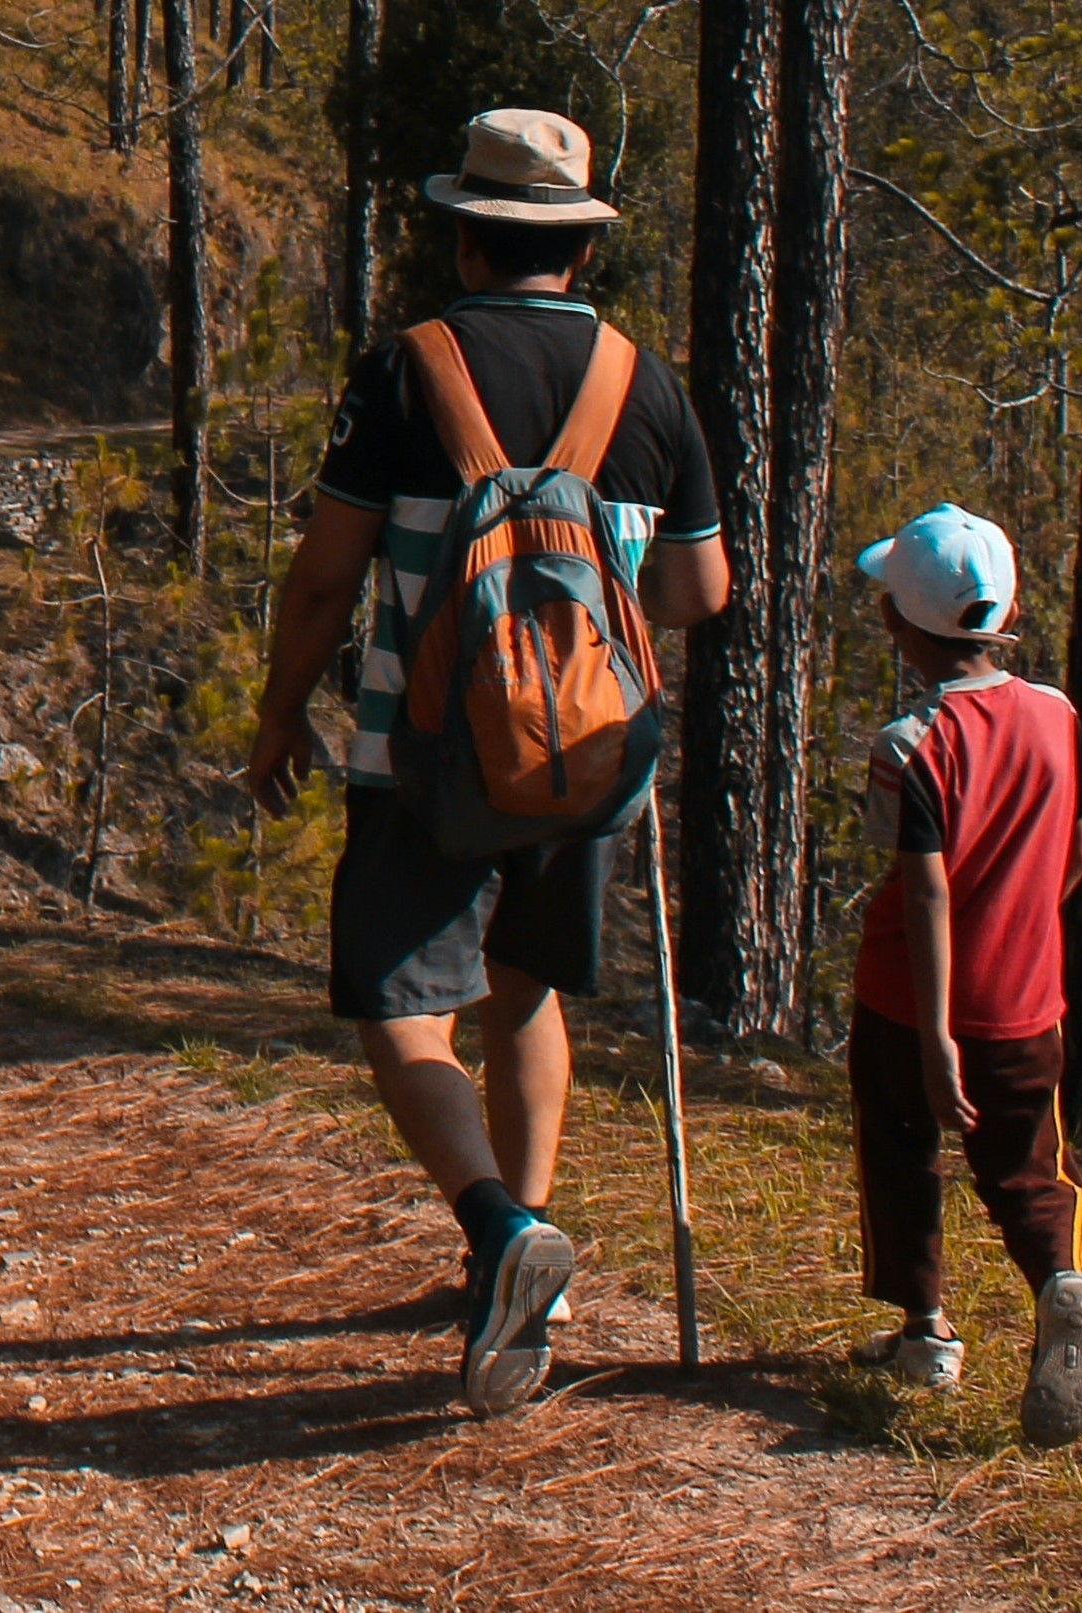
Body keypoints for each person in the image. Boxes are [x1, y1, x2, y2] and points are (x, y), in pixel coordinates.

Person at [243, 109, 728, 1416]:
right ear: (576, 242)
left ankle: (499, 1230)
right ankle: (537, 1265)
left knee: (404, 1012)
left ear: (466, 235)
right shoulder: (647, 385)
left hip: (423, 750)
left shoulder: (408, 373)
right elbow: (699, 588)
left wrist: (282, 711)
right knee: (526, 995)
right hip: (588, 756)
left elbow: (325, 575)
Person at [842, 502, 1082, 1448]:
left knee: (901, 1145)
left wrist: (938, 1032)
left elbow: (924, 893)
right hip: (1029, 1000)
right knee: (1027, 1165)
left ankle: (925, 1331)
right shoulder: (1057, 715)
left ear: (898, 623)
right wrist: (1027, 909)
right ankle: (1059, 1284)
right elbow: (1080, 846)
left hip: (908, 1002)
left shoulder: (909, 743)